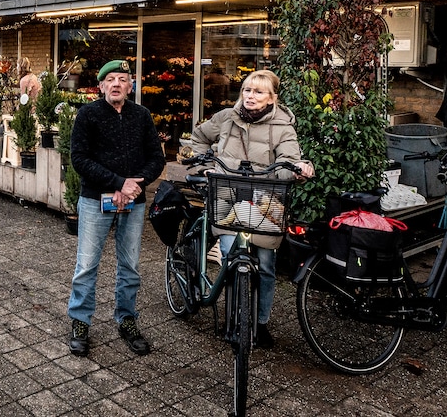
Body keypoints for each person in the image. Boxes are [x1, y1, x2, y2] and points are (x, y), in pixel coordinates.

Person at [189, 69, 314, 349]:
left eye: (258, 92)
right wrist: (205, 166)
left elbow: (287, 164)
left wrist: (298, 170)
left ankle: (260, 322)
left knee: (266, 265)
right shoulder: (226, 117)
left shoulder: (283, 127)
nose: (251, 96)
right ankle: (234, 316)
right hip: (227, 197)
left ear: (272, 98)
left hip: (264, 203)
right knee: (229, 256)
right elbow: (199, 137)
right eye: (247, 90)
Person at [67, 59, 166, 357]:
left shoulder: (142, 115)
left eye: (122, 79)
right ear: (100, 86)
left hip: (133, 201)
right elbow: (79, 159)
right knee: (87, 265)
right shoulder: (88, 115)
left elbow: (156, 158)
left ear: (130, 86)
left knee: (130, 266)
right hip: (95, 200)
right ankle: (80, 321)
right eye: (110, 79)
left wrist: (136, 184)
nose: (116, 84)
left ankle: (126, 319)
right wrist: (118, 183)